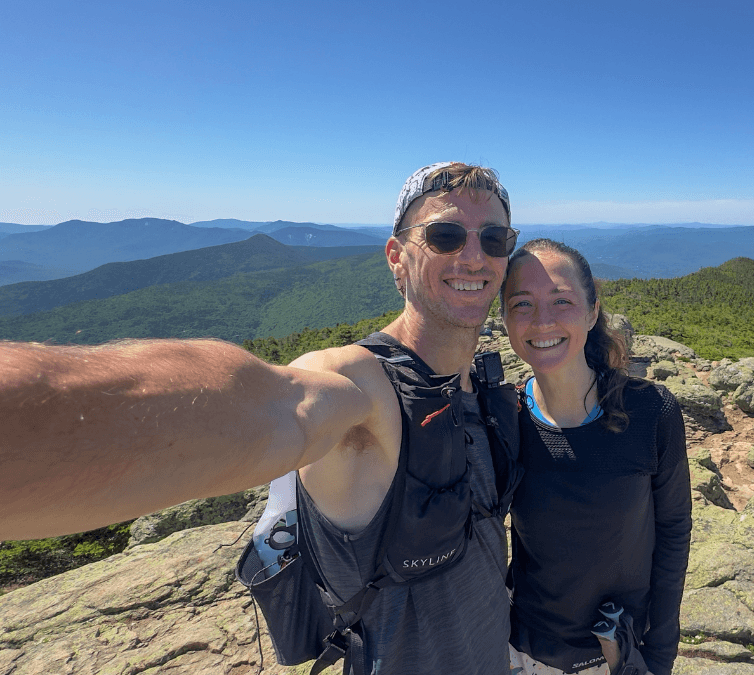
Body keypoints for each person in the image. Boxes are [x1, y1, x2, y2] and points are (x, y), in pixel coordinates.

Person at [0, 161, 520, 674]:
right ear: (396, 257)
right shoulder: (364, 390)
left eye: (494, 239)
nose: (474, 256)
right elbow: (273, 405)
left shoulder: (479, 382)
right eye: (445, 236)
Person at [499, 239, 692, 675]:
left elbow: (674, 530)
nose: (542, 320)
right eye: (522, 304)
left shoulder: (650, 411)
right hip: (522, 651)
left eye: (562, 301)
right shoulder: (505, 419)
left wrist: (659, 655)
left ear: (591, 312)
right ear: (507, 322)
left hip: (616, 655)